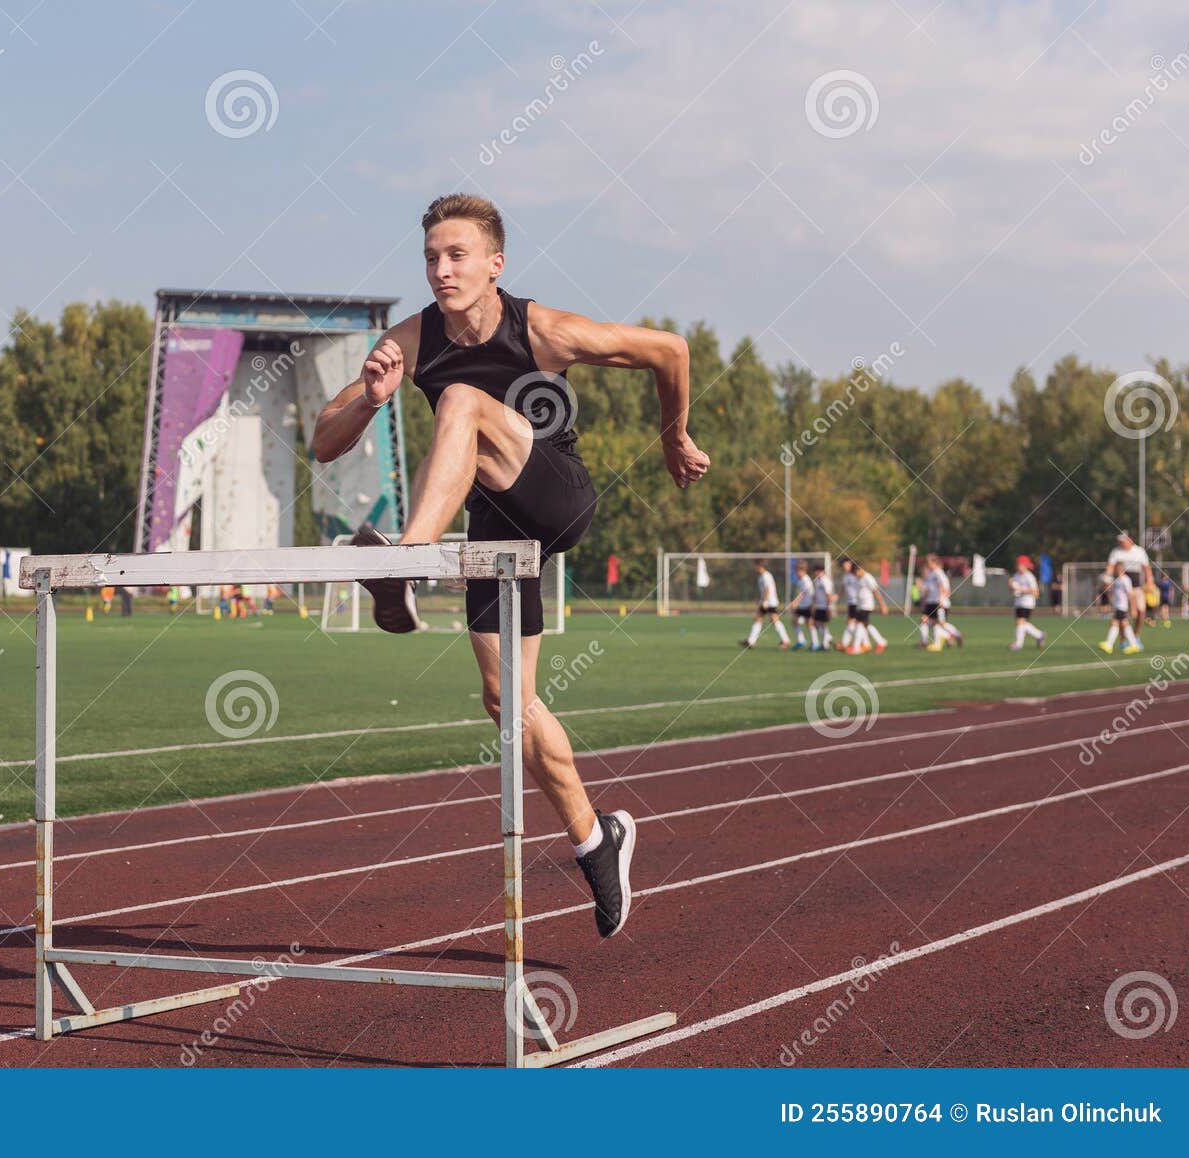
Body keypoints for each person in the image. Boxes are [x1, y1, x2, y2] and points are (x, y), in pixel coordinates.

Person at [310, 193, 709, 938]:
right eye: (430, 257)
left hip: (556, 492)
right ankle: (598, 842)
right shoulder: (414, 338)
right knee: (508, 706)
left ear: (496, 264)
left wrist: (671, 437)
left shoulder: (541, 328)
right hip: (494, 526)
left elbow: (669, 350)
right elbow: (323, 441)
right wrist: (369, 401)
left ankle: (405, 566)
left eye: (457, 255)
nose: (440, 270)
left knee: (461, 399)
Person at [1108, 532, 1152, 637]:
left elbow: (1147, 568)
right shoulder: (1116, 552)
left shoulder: (1139, 551)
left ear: (1129, 540)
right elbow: (1110, 567)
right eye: (1120, 541)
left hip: (1137, 587)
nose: (1121, 543)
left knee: (1141, 612)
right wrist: (1108, 579)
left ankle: (1136, 635)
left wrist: (1150, 581)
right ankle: (1123, 640)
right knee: (1122, 615)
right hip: (1121, 589)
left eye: (1123, 540)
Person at [741, 559, 791, 649]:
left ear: (759, 566)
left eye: (755, 566)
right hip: (766, 602)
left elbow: (768, 589)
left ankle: (786, 641)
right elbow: (764, 590)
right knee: (758, 618)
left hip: (770, 602)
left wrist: (764, 601)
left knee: (774, 620)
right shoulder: (761, 576)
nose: (754, 568)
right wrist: (760, 599)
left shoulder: (766, 576)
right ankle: (751, 641)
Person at [1099, 562, 1142, 655]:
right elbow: (1112, 592)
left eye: (1117, 568)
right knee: (1124, 624)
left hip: (1122, 606)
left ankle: (1109, 644)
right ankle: (1134, 645)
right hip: (1118, 606)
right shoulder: (1117, 580)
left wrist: (1133, 608)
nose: (1115, 570)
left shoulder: (1125, 580)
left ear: (1121, 569)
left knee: (1115, 622)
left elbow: (1130, 595)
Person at [1008, 555, 1046, 651]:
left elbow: (1036, 593)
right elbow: (1014, 590)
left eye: (1019, 564)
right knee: (1020, 624)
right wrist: (1011, 586)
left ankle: (1018, 645)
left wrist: (1021, 589)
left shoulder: (1029, 577)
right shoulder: (1016, 575)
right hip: (1018, 602)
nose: (1018, 566)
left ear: (1024, 565)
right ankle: (1039, 635)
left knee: (1020, 622)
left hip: (1027, 603)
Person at [790, 559, 814, 649]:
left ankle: (815, 643)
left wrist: (795, 602)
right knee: (794, 621)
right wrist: (796, 602)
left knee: (809, 624)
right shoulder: (800, 580)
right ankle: (801, 640)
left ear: (803, 570)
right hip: (802, 605)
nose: (796, 573)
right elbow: (801, 593)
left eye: (797, 571)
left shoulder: (806, 580)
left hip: (807, 605)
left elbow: (805, 593)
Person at [810, 561, 833, 650]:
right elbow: (817, 595)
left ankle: (825, 644)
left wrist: (828, 608)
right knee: (817, 624)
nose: (815, 573)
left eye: (817, 571)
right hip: (819, 606)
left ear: (821, 571)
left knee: (822, 625)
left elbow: (828, 595)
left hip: (824, 606)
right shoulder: (817, 581)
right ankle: (827, 639)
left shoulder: (825, 581)